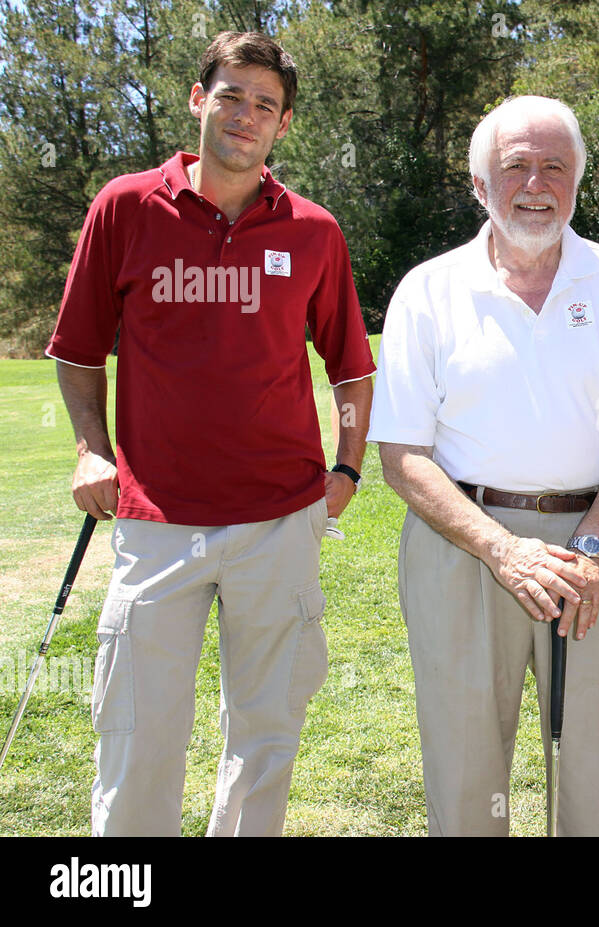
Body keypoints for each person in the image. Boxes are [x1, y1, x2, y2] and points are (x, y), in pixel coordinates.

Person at [46, 31, 375, 836]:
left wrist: (348, 464)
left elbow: (352, 367)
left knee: (265, 736)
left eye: (265, 105)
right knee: (137, 732)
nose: (245, 115)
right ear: (198, 100)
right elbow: (79, 351)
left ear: (284, 126)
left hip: (280, 521)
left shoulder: (313, 231)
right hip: (156, 522)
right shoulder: (124, 207)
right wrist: (91, 449)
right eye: (231, 95)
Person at [369, 96, 599, 837]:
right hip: (465, 548)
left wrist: (595, 542)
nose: (535, 184)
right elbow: (402, 455)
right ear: (480, 186)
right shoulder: (428, 291)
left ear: (576, 181)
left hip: (595, 540)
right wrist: (503, 550)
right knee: (467, 771)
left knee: (598, 774)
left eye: (554, 167)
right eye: (515, 167)